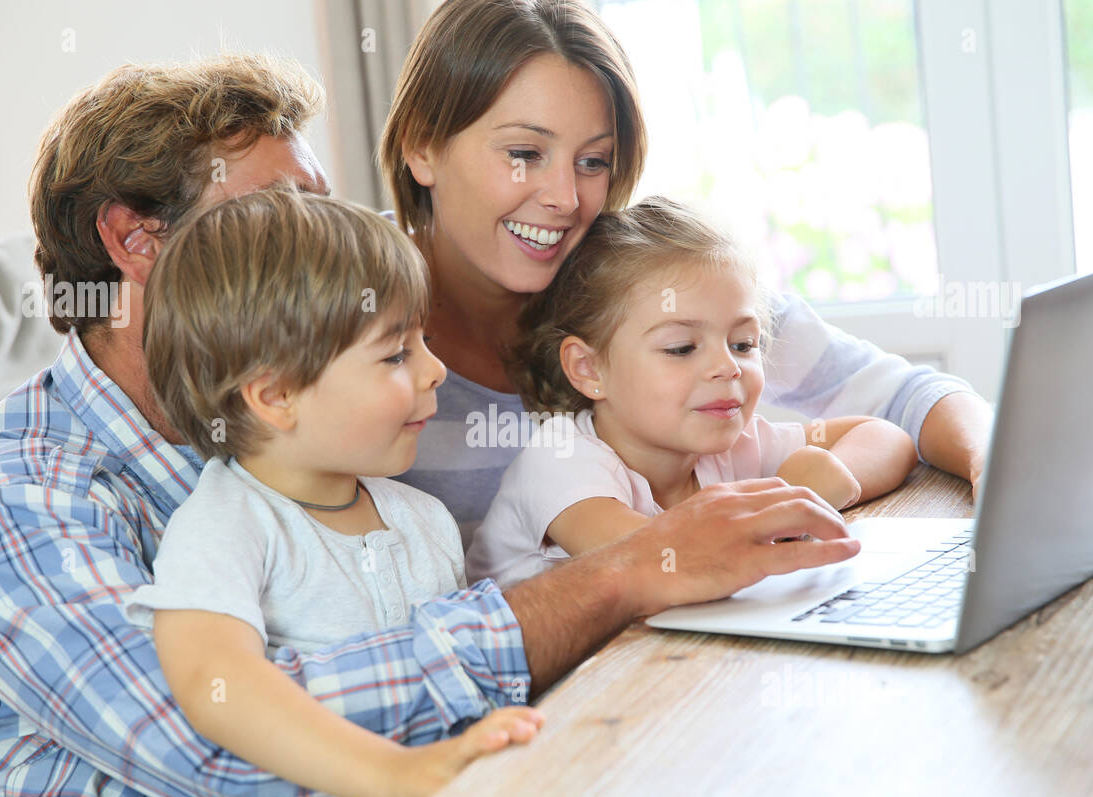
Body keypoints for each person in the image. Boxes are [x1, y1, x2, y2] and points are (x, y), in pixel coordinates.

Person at [0, 52, 857, 797]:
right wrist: (611, 579)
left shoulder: (325, 440)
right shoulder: (0, 502)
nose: (333, 249)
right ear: (138, 241)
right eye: (279, 216)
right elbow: (220, 742)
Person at [378, 0, 993, 551]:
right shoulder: (342, 320)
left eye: (594, 161)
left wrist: (993, 462)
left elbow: (913, 401)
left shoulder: (652, 288)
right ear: (422, 146)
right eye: (523, 154)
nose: (566, 198)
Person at [127, 188, 544, 797]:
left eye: (424, 342)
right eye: (395, 355)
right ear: (277, 396)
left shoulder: (423, 518)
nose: (436, 371)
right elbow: (211, 678)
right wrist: (394, 774)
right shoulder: (227, 522)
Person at [468, 197, 919, 588]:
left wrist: (818, 483)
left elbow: (887, 438)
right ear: (588, 370)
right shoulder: (560, 461)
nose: (726, 367)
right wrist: (786, 505)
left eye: (744, 344)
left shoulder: (731, 445)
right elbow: (663, 561)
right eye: (681, 348)